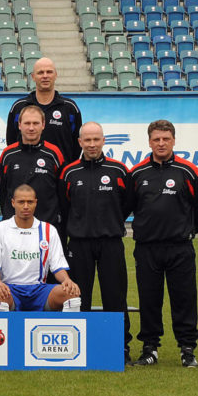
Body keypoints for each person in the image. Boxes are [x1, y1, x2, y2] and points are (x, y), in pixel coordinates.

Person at [129, 120, 198, 368]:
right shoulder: (137, 173)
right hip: (147, 248)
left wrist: (189, 231)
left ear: (173, 140)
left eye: (166, 139)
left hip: (180, 248)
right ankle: (149, 348)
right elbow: (128, 205)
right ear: (149, 141)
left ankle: (187, 349)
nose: (161, 143)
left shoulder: (190, 172)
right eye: (156, 139)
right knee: (149, 300)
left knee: (184, 299)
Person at [59, 121, 134, 360]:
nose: (92, 144)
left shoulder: (119, 170)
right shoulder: (69, 172)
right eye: (87, 140)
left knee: (115, 296)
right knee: (79, 297)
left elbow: (127, 204)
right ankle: (80, 345)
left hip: (111, 243)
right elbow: (64, 207)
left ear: (103, 141)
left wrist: (110, 223)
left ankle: (120, 346)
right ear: (80, 142)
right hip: (79, 244)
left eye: (96, 139)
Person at [0, 185, 81, 312]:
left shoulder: (49, 230)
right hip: (10, 290)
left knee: (71, 294)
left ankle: (65, 325)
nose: (26, 206)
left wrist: (67, 280)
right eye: (21, 202)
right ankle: (5, 325)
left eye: (30, 202)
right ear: (13, 203)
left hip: (39, 290)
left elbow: (58, 266)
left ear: (36, 203)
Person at [0, 104, 65, 225]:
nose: (31, 128)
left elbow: (61, 193)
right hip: (13, 226)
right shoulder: (8, 154)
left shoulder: (54, 153)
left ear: (43, 125)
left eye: (36, 123)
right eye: (27, 123)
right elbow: (3, 191)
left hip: (46, 225)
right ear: (19, 125)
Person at [6, 57, 82, 162]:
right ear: (33, 77)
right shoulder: (19, 107)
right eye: (40, 72)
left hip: (61, 171)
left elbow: (77, 146)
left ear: (56, 75)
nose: (45, 76)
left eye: (49, 72)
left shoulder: (70, 108)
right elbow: (11, 141)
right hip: (25, 170)